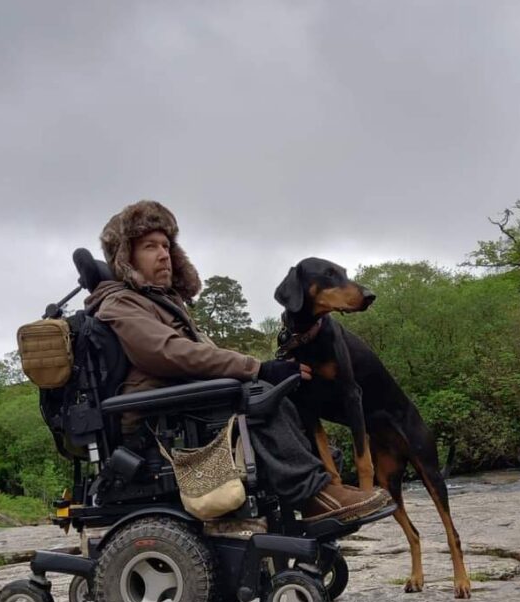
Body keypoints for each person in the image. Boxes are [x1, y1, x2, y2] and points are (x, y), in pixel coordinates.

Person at [85, 200, 392, 529]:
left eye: (166, 245)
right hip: (156, 420)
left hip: (186, 404)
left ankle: (323, 484)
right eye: (150, 247)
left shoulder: (162, 301)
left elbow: (201, 354)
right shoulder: (122, 302)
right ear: (125, 256)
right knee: (256, 394)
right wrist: (256, 368)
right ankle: (314, 494)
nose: (163, 254)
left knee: (279, 388)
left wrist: (269, 371)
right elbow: (169, 353)